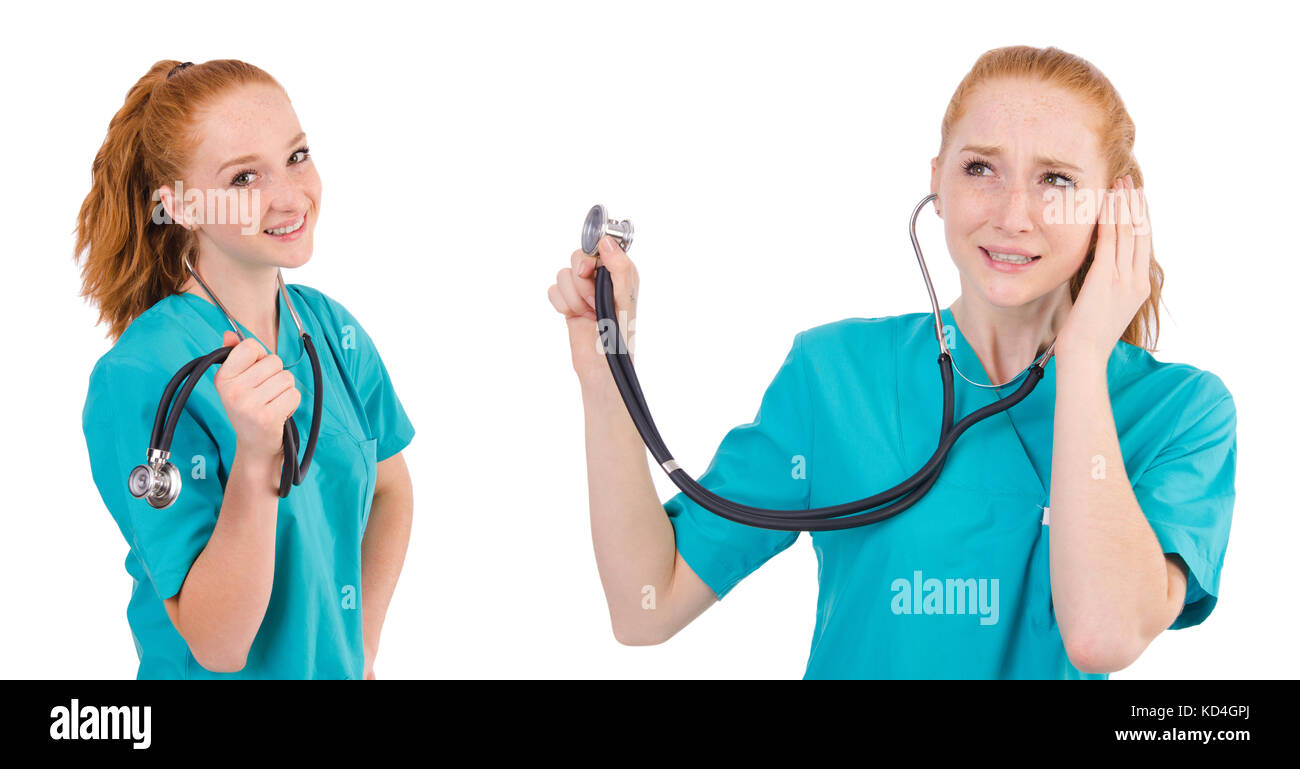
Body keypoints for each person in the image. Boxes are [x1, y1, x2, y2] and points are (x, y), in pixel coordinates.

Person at [547, 45, 1237, 679]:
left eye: (1055, 179)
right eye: (980, 169)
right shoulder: (836, 376)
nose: (1012, 213)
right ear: (937, 183)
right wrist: (607, 374)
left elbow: (1103, 635)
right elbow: (647, 603)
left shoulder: (1180, 414)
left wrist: (1083, 356)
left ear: (1117, 209)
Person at [77, 59, 416, 679]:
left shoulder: (331, 332)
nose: (289, 196)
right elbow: (218, 645)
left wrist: (360, 646)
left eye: (296, 155)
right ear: (177, 206)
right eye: (242, 179)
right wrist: (257, 456)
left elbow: (392, 486)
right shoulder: (141, 375)